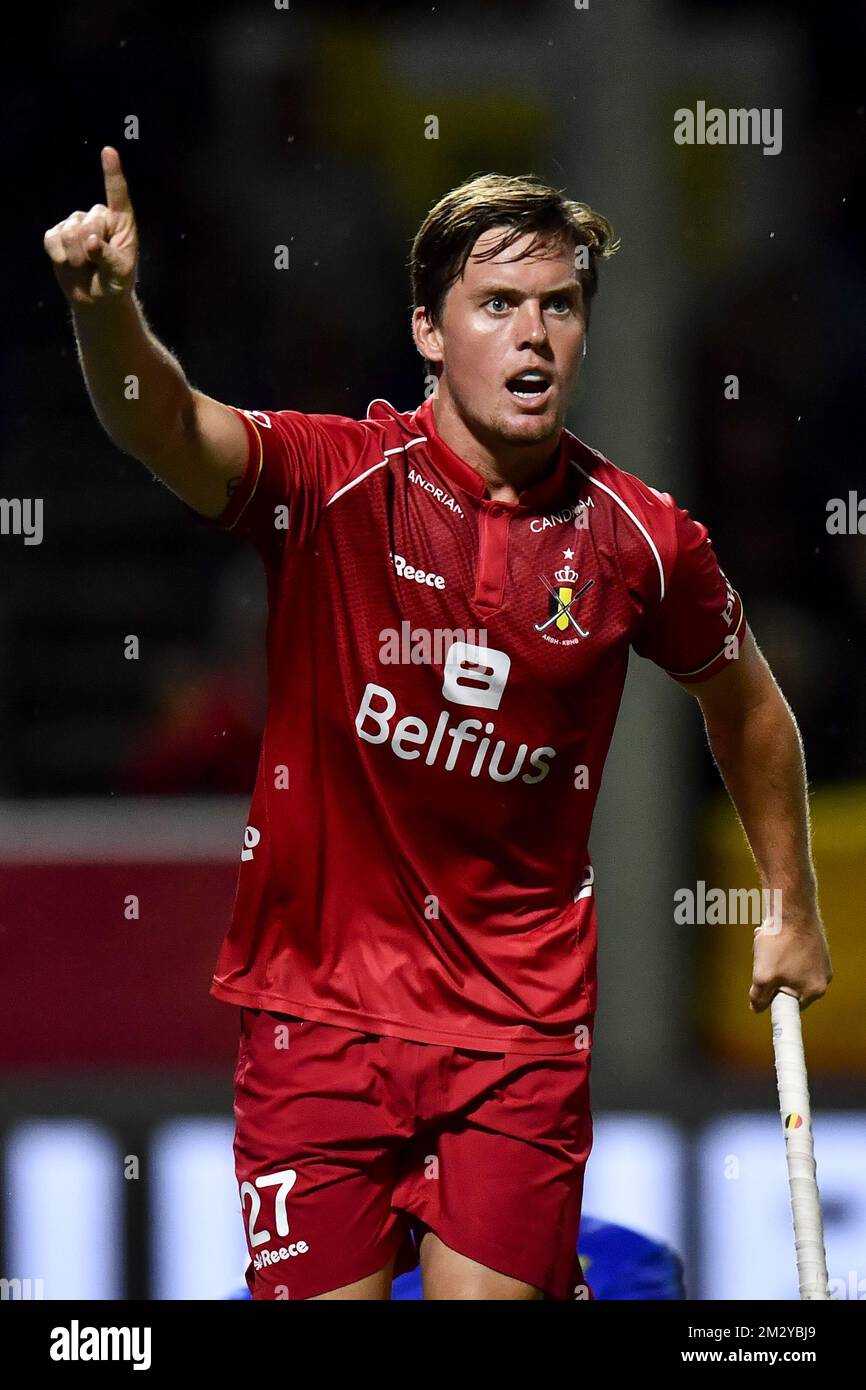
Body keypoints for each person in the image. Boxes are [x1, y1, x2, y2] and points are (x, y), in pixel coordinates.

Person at [44, 148, 832, 1301]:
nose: (533, 336)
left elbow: (748, 705)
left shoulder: (639, 541)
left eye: (558, 306)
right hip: (317, 1017)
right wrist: (107, 314)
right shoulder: (331, 484)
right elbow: (159, 422)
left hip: (517, 1034)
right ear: (427, 330)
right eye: (497, 304)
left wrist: (790, 902)